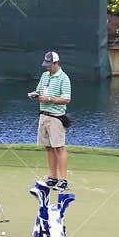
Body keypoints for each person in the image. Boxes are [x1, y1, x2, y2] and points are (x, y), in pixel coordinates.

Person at [31, 50, 71, 188]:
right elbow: (39, 90)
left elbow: (66, 99)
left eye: (49, 64)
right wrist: (36, 95)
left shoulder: (63, 78)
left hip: (56, 117)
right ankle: (53, 177)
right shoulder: (44, 75)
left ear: (56, 63)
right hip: (44, 115)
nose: (47, 67)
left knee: (59, 147)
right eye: (46, 64)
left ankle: (63, 180)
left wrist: (48, 99)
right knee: (48, 147)